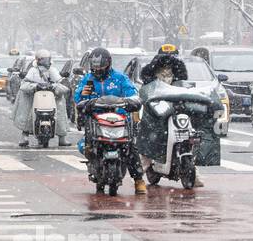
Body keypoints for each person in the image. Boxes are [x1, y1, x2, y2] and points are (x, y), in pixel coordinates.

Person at [73, 47, 146, 195]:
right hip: (96, 121)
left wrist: (132, 101)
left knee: (130, 147)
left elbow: (132, 93)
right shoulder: (88, 80)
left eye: (101, 66)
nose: (98, 70)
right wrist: (86, 103)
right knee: (86, 145)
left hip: (119, 120)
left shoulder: (120, 78)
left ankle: (139, 180)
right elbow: (80, 98)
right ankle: (95, 165)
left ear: (109, 64)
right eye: (95, 67)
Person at [137, 43, 203, 186]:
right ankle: (139, 174)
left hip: (176, 109)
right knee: (149, 137)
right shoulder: (151, 71)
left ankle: (193, 172)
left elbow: (183, 85)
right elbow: (146, 87)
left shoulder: (179, 70)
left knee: (191, 134)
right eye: (165, 57)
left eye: (172, 57)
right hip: (158, 109)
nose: (169, 60)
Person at [13, 48, 70, 147]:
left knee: (59, 112)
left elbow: (63, 85)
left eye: (47, 59)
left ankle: (62, 137)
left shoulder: (52, 70)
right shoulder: (33, 70)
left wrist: (54, 87)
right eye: (43, 59)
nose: (46, 62)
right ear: (38, 60)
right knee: (28, 112)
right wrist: (35, 87)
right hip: (35, 98)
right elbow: (24, 85)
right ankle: (24, 136)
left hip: (52, 98)